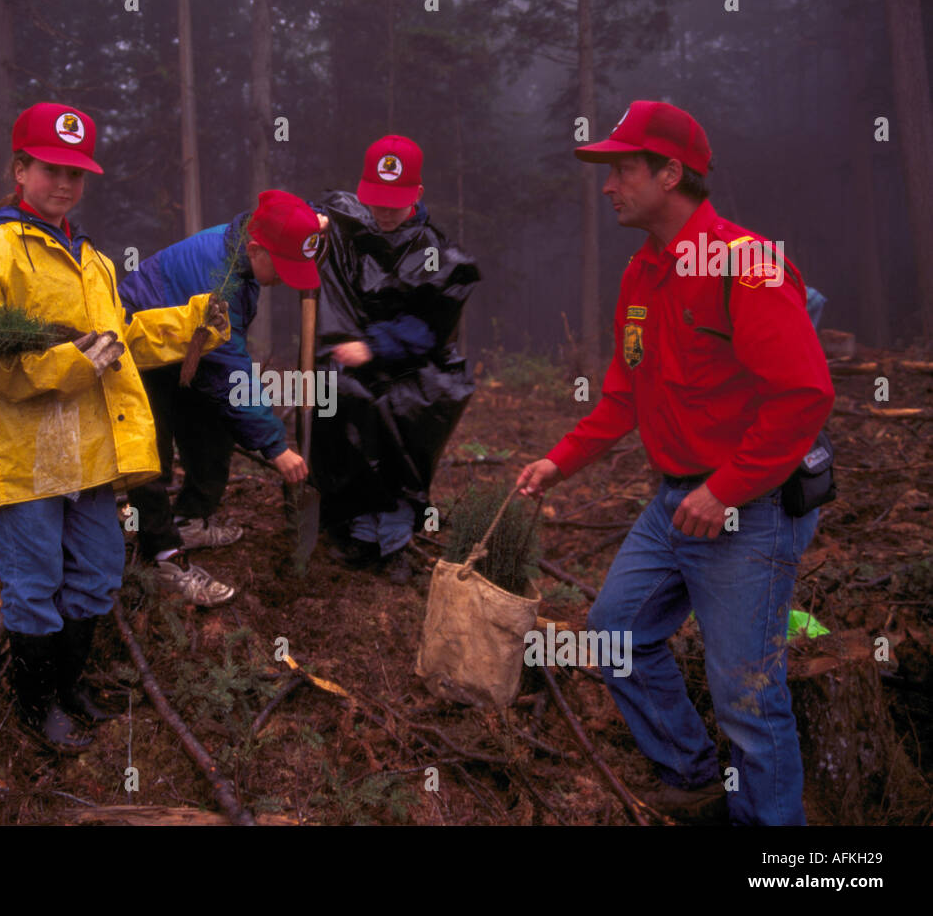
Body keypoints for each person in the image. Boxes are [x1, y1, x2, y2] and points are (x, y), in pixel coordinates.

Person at [516, 101, 835, 825]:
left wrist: (725, 489)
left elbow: (804, 395)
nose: (608, 185)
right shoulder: (644, 272)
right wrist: (558, 463)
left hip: (750, 509)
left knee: (748, 698)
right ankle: (694, 779)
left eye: (623, 169)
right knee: (615, 633)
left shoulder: (744, 263)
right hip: (676, 503)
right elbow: (624, 394)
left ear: (671, 173)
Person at [0, 103, 227, 751]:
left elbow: (122, 338)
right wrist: (66, 365)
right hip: (20, 455)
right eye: (51, 169)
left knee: (98, 570)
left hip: (85, 450)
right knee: (34, 582)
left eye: (76, 173)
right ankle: (37, 707)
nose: (65, 184)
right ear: (20, 168)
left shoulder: (91, 260)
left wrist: (190, 323)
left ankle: (70, 687)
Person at [119, 190, 321, 605]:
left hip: (184, 345)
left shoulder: (246, 248)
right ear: (255, 249)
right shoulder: (221, 281)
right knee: (148, 455)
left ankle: (192, 517)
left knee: (212, 425)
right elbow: (231, 372)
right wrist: (275, 446)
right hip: (139, 347)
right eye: (282, 267)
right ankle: (164, 557)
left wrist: (313, 228)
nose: (285, 279)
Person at [310, 135, 480, 584]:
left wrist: (375, 346)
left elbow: (431, 325)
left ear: (418, 196)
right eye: (377, 203)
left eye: (395, 204)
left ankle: (395, 542)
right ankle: (361, 533)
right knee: (345, 411)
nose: (384, 213)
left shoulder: (434, 251)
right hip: (356, 360)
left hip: (414, 366)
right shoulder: (351, 228)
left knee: (402, 426)